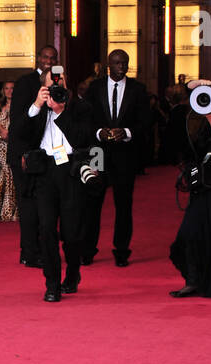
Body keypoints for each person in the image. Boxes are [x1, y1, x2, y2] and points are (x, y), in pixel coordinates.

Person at [18, 71, 96, 301]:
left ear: (66, 83)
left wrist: (61, 112)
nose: (55, 88)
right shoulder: (37, 109)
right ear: (43, 87)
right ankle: (51, 283)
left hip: (71, 171)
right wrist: (36, 105)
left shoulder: (80, 108)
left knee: (72, 232)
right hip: (44, 172)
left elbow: (83, 138)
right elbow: (20, 133)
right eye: (51, 84)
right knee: (47, 229)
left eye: (59, 82)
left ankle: (72, 274)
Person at [83, 50, 151, 267]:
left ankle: (121, 251)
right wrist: (98, 132)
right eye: (118, 63)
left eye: (125, 63)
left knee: (124, 204)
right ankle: (88, 249)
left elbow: (146, 122)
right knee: (93, 201)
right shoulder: (94, 88)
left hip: (125, 154)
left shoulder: (138, 90)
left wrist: (128, 132)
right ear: (108, 65)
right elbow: (85, 119)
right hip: (98, 152)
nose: (122, 66)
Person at [169, 81, 211, 297]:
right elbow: (189, 86)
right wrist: (208, 84)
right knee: (190, 233)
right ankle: (192, 280)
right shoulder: (206, 118)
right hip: (204, 187)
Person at [9, 45, 58, 267]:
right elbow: (18, 124)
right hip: (24, 156)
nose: (48, 60)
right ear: (38, 58)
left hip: (44, 157)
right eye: (45, 57)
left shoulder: (59, 84)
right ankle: (29, 252)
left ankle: (38, 249)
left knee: (43, 207)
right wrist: (22, 155)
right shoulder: (24, 83)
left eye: (53, 58)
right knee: (28, 206)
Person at [0, 80, 18, 222]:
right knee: (5, 170)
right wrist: (3, 130)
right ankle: (2, 210)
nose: (9, 91)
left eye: (12, 88)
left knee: (11, 172)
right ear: (3, 90)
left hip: (14, 142)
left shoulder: (20, 103)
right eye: (7, 88)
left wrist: (12, 134)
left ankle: (11, 211)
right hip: (1, 142)